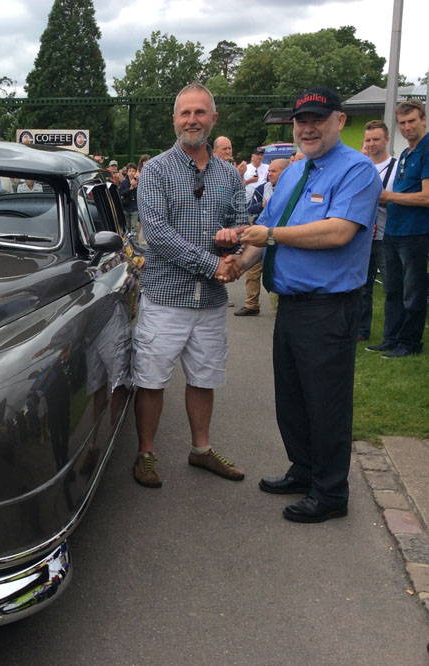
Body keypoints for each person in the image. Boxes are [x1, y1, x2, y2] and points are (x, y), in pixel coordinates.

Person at [218, 85, 381, 523]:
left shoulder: (358, 170)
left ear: (339, 122)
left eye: (318, 119)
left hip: (329, 307)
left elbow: (338, 232)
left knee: (326, 401)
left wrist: (266, 236)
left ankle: (331, 493)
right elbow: (267, 230)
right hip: (289, 303)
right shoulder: (292, 171)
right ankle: (305, 470)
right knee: (292, 397)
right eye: (301, 120)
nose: (308, 128)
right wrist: (237, 263)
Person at [131, 83, 247, 489]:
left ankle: (201, 450)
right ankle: (146, 453)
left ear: (213, 119)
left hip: (211, 301)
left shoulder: (228, 174)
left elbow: (241, 219)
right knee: (151, 378)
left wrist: (235, 251)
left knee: (204, 376)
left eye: (200, 113)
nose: (192, 120)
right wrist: (212, 264)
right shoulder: (157, 170)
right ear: (175, 120)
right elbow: (158, 233)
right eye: (185, 113)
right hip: (166, 297)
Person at [368, 100, 429, 358]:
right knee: (393, 288)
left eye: (411, 121)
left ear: (423, 119)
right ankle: (391, 338)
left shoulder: (426, 150)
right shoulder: (406, 153)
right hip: (393, 229)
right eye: (402, 123)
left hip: (415, 232)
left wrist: (389, 197)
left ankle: (410, 342)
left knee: (413, 290)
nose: (407, 127)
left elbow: (426, 197)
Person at [357, 120, 396, 341]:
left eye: (376, 139)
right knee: (362, 287)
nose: (371, 144)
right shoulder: (361, 167)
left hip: (385, 235)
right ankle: (362, 332)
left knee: (391, 286)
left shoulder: (395, 166)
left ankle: (392, 335)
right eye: (368, 140)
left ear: (386, 140)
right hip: (362, 236)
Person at [236, 158, 290, 316]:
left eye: (274, 171)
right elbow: (250, 209)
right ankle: (251, 303)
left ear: (285, 172)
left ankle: (282, 305)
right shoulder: (261, 188)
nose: (270, 174)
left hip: (282, 237)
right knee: (253, 270)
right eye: (270, 171)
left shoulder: (292, 190)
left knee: (280, 269)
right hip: (261, 232)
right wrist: (261, 205)